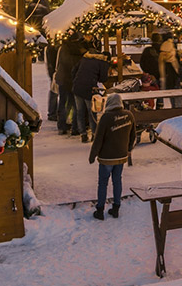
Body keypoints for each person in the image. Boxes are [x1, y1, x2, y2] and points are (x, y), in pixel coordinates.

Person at [89, 92, 136, 220]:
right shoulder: (129, 115)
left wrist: (92, 155)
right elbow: (133, 135)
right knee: (117, 181)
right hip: (121, 156)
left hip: (106, 157)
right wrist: (128, 149)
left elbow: (98, 139)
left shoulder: (106, 118)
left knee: (103, 183)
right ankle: (116, 208)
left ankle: (100, 210)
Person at [72, 36, 110, 143]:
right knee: (92, 111)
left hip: (77, 86)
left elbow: (74, 70)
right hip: (89, 88)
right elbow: (103, 78)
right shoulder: (103, 62)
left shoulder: (86, 57)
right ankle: (94, 133)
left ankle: (83, 134)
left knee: (80, 111)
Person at [55, 32, 85, 135]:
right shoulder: (80, 50)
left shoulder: (63, 48)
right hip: (74, 80)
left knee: (63, 103)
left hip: (63, 79)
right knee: (75, 104)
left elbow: (60, 63)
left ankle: (62, 126)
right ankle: (74, 127)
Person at [44, 41, 59, 121]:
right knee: (54, 92)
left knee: (54, 92)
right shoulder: (53, 47)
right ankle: (53, 112)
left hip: (54, 71)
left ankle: (53, 112)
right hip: (55, 72)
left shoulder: (51, 47)